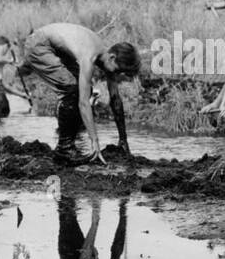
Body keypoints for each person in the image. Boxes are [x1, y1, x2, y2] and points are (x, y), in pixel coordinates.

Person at [16, 23, 140, 163]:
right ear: (112, 57)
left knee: (86, 90)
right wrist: (94, 141)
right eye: (118, 71)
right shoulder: (89, 56)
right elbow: (83, 103)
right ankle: (65, 149)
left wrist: (123, 140)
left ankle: (68, 146)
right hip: (39, 44)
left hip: (57, 47)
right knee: (72, 89)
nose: (117, 76)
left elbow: (115, 99)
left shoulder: (107, 59)